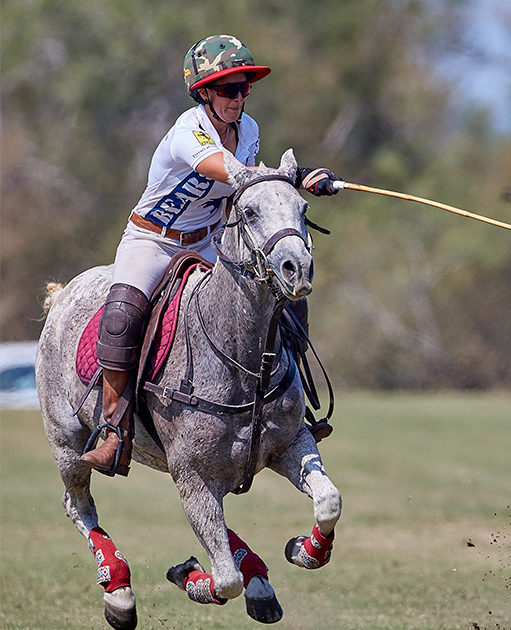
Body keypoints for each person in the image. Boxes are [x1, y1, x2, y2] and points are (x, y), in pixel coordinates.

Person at [80, 35, 341, 476]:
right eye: (227, 89)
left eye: (243, 88)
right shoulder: (189, 131)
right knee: (123, 314)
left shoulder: (251, 131)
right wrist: (293, 175)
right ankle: (113, 431)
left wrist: (301, 178)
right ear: (204, 91)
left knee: (286, 296)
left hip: (209, 238)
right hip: (154, 239)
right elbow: (227, 171)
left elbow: (248, 191)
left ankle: (292, 413)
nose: (237, 98)